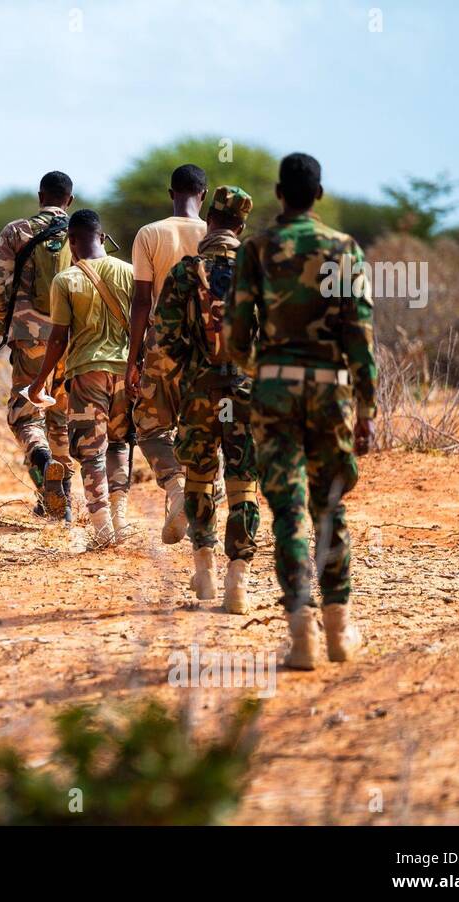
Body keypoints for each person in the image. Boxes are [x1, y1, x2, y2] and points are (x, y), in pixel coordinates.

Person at [225, 153, 377, 669]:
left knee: (288, 510)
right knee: (329, 505)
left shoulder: (258, 249)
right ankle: (338, 628)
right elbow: (360, 334)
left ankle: (300, 637)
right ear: (318, 193)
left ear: (278, 193)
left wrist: (261, 367)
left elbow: (237, 334)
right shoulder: (343, 248)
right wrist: (368, 406)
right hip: (331, 392)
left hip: (274, 391)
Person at [154, 186, 258, 612]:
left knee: (198, 477)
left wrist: (191, 370)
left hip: (199, 389)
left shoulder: (184, 271)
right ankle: (239, 578)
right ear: (241, 227)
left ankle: (205, 569)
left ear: (210, 222)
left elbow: (165, 337)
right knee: (243, 480)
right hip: (246, 391)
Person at [25, 210, 134, 547]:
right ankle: (121, 518)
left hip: (86, 375)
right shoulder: (131, 272)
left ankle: (102, 528)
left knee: (91, 452)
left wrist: (39, 382)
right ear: (102, 237)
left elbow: (58, 338)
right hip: (125, 372)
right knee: (120, 444)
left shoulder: (66, 280)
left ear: (72, 241)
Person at [125, 164, 216, 544]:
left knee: (149, 424)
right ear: (204, 195)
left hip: (163, 345)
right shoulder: (217, 236)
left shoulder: (150, 234)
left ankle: (177, 489)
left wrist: (132, 359)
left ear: (170, 194)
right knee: (208, 426)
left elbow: (142, 301)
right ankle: (209, 496)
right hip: (209, 346)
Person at [0, 171, 75, 520]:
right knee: (62, 416)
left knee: (26, 415)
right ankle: (62, 497)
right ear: (70, 200)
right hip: (75, 340)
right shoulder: (83, 232)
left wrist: (9, 318)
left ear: (40, 197)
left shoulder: (17, 231)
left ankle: (43, 460)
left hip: (32, 337)